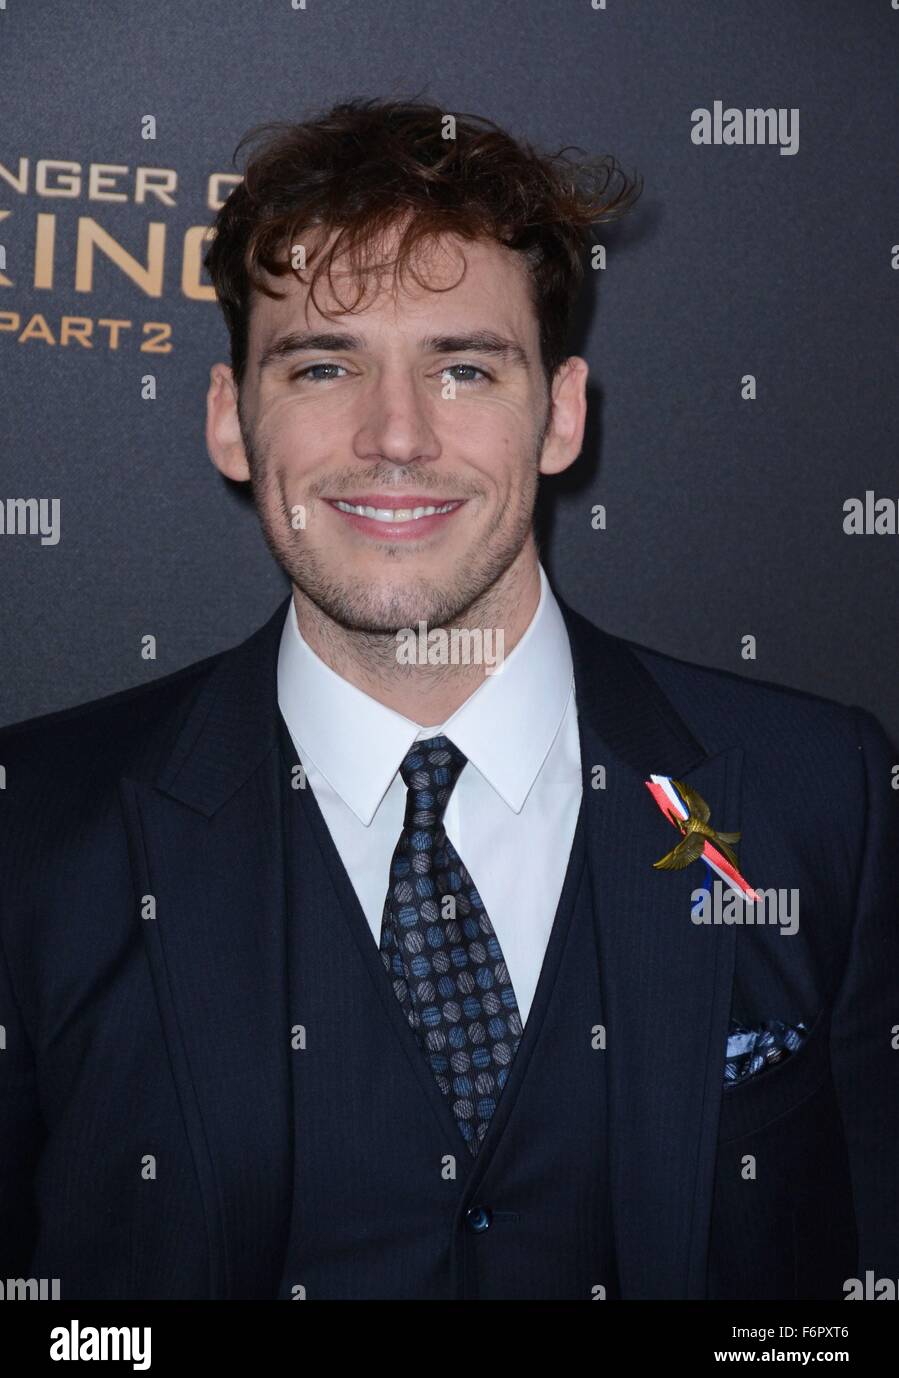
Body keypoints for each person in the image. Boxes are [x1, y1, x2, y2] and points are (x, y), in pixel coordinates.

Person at [1, 97, 896, 1301]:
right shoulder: (34, 831)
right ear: (228, 420)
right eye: (323, 365)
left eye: (462, 367)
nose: (395, 437)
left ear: (561, 413)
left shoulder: (813, 794)